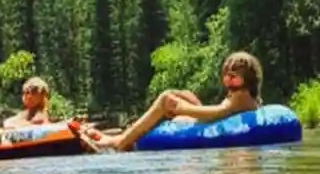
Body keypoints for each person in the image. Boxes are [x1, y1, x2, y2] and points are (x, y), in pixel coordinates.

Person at [96, 51, 264, 152]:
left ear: (247, 78)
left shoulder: (240, 97)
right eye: (226, 74)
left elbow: (220, 112)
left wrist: (182, 108)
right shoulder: (247, 94)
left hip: (213, 121)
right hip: (216, 119)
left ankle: (121, 141)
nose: (227, 79)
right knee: (179, 94)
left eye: (233, 76)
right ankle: (124, 134)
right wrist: (186, 100)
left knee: (166, 100)